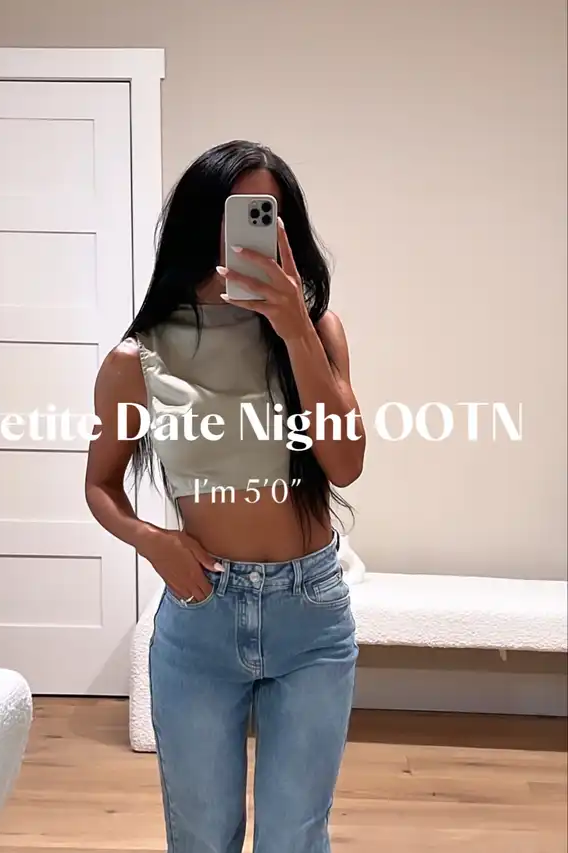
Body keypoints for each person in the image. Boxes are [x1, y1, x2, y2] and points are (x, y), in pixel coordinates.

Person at [85, 140, 366, 853]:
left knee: (294, 836)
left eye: (263, 214)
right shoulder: (137, 358)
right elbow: (100, 485)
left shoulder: (317, 332)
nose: (244, 233)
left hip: (310, 614)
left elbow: (345, 464)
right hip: (201, 611)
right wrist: (153, 540)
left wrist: (294, 326)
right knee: (202, 837)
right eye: (230, 213)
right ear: (197, 224)